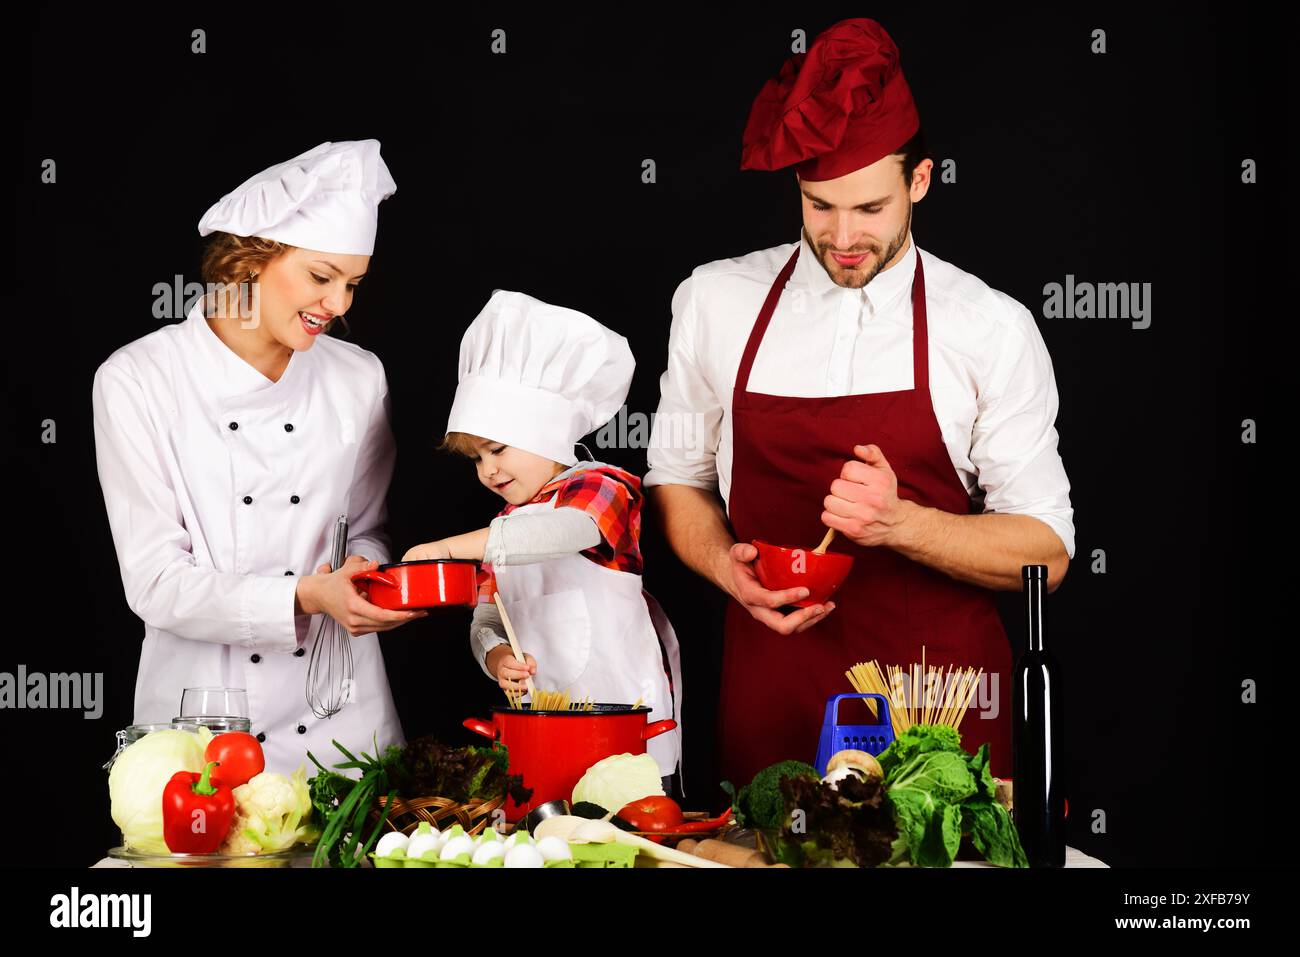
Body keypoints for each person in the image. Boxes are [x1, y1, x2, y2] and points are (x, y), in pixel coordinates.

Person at [644, 19, 1074, 785]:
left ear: (920, 181)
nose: (843, 236)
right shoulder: (714, 301)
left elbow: (1048, 550)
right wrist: (724, 568)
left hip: (935, 715)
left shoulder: (989, 326)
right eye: (819, 206)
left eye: (870, 209)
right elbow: (677, 479)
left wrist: (900, 522)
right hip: (773, 689)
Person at [92, 140, 420, 775]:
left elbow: (369, 531)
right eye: (321, 277)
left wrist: (363, 576)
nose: (340, 305)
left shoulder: (359, 377)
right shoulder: (138, 378)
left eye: (353, 284)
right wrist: (305, 596)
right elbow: (155, 583)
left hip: (342, 724)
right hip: (201, 723)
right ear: (247, 261)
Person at [402, 290, 683, 791]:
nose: (487, 471)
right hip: (543, 729)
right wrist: (494, 656)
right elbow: (487, 616)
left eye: (497, 450)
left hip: (623, 723)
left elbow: (559, 533)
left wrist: (447, 549)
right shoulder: (505, 526)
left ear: (546, 431)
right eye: (476, 460)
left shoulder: (601, 485)